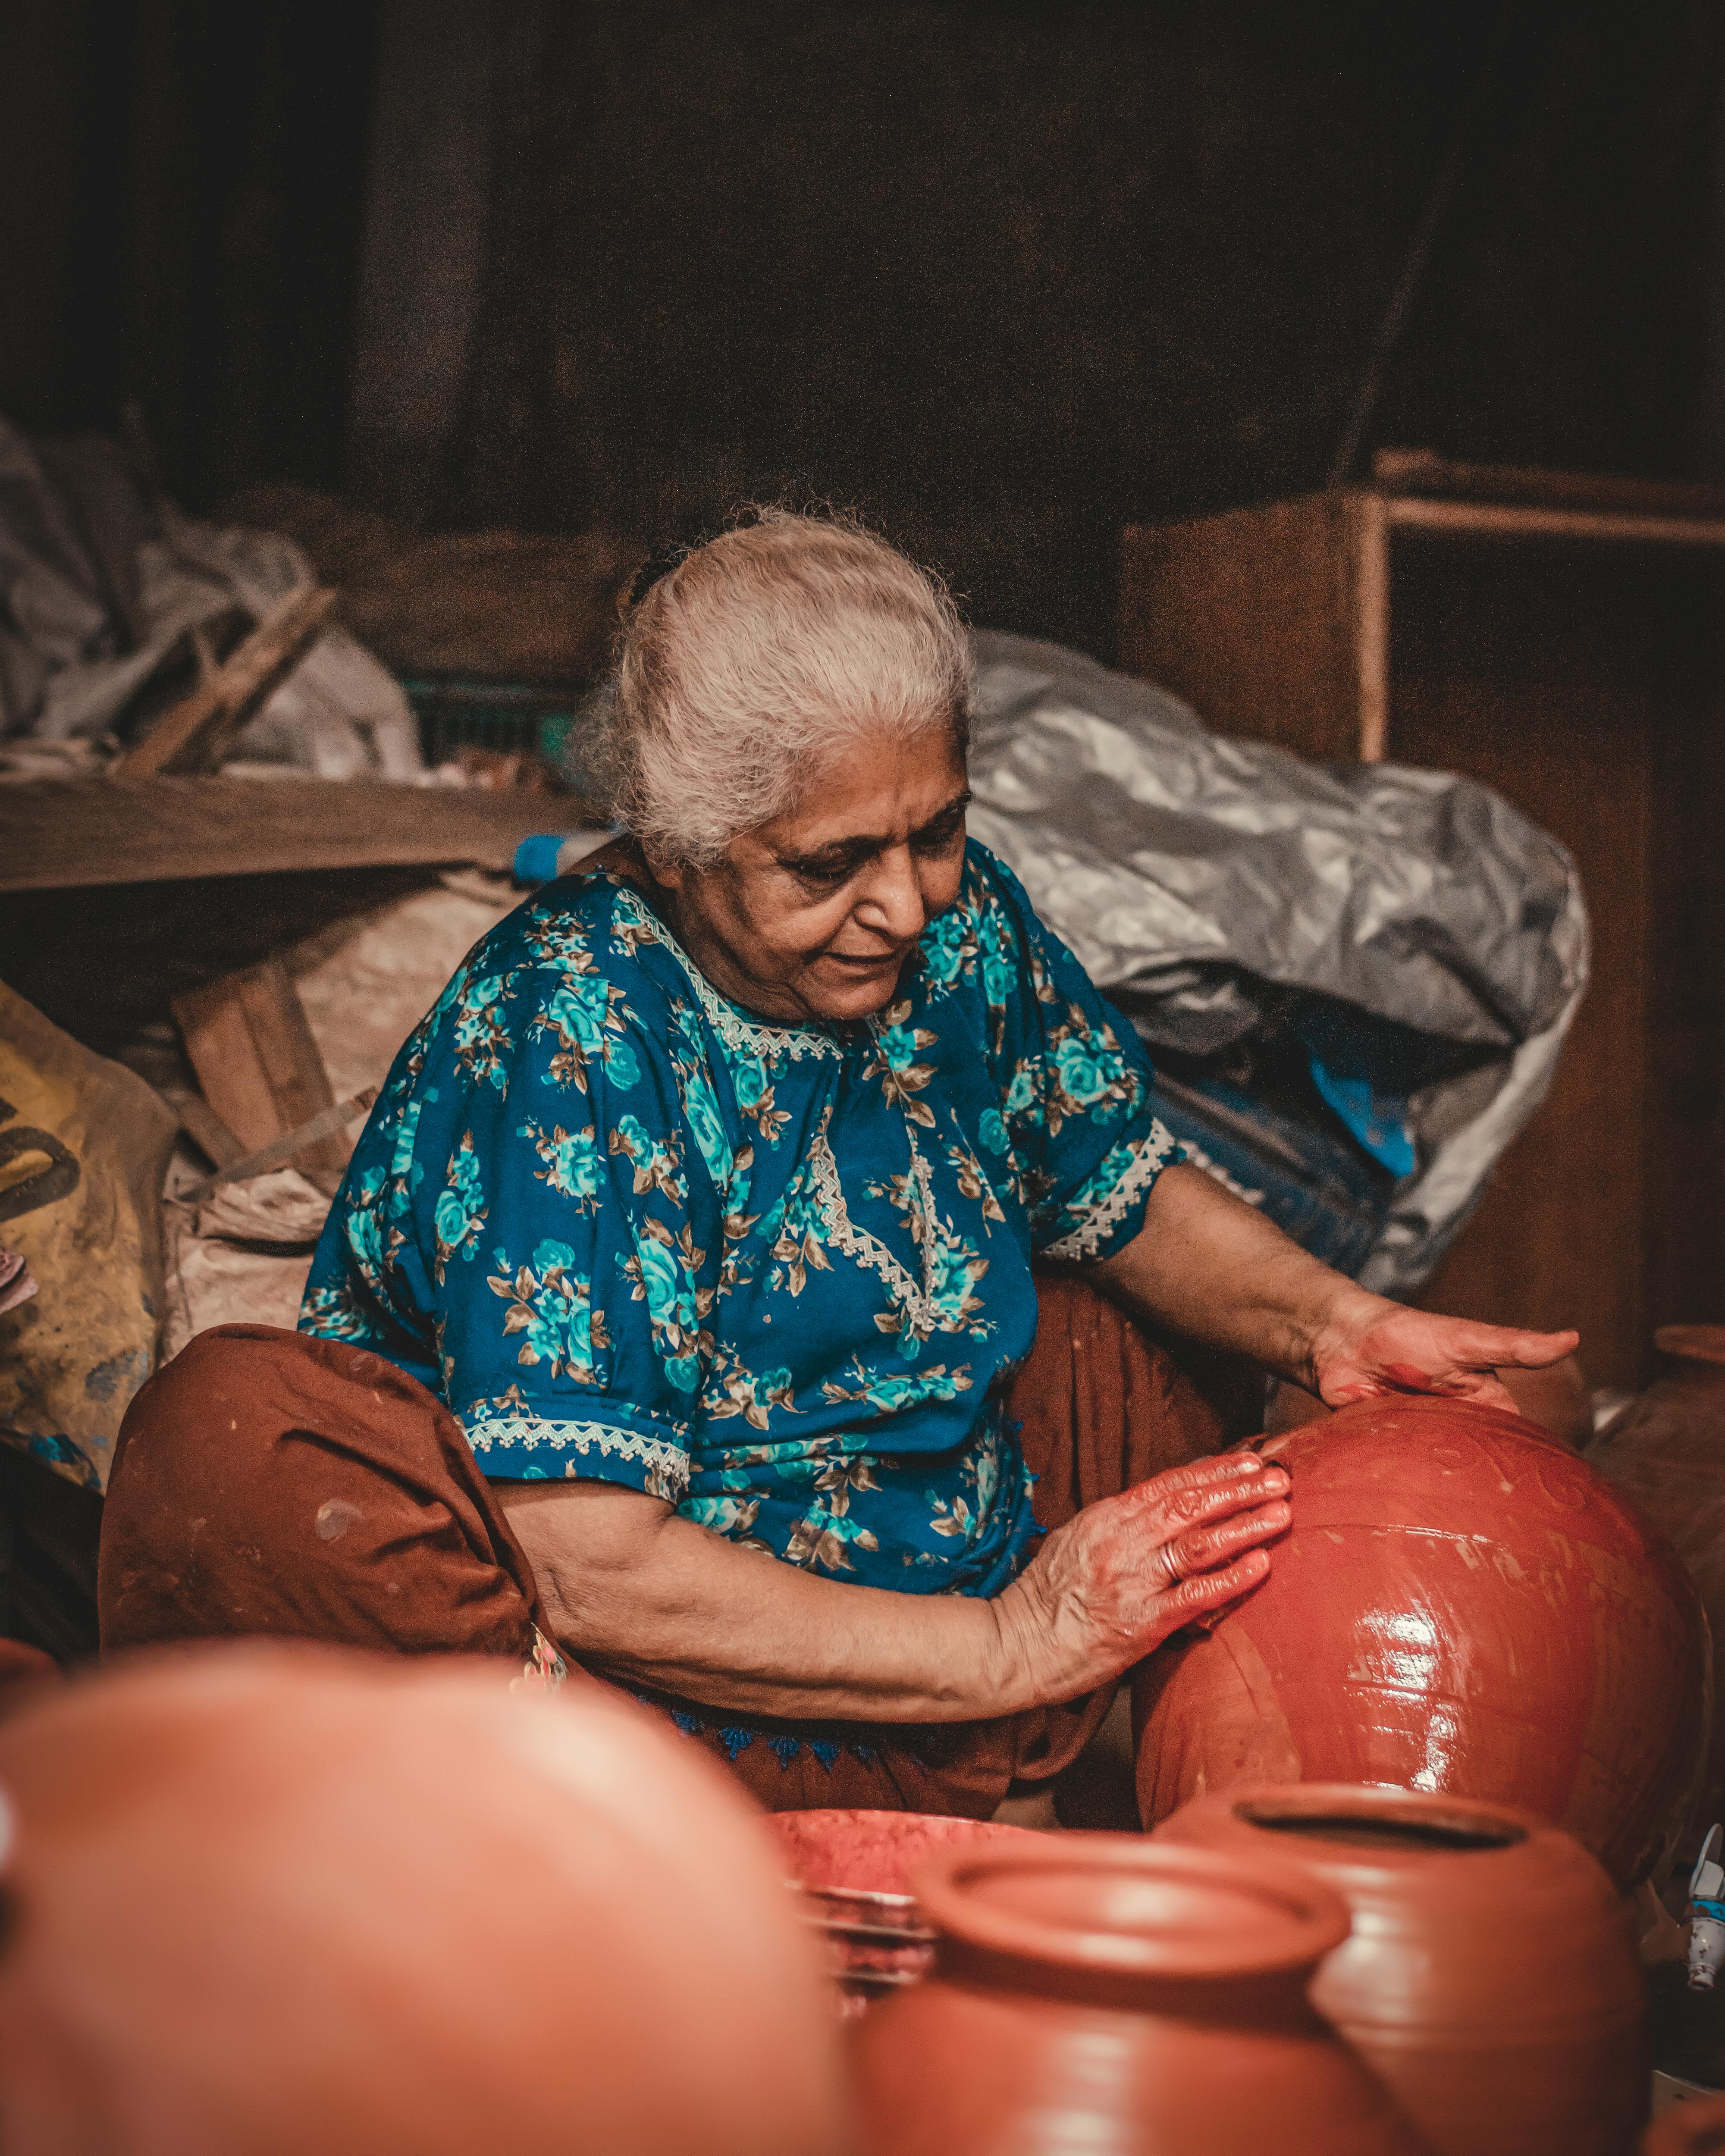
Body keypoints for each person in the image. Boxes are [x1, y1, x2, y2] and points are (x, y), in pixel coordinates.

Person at [100, 511, 1577, 1818]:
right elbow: (588, 1558)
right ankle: (663, 1860)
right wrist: (1013, 1644)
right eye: (830, 866)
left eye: (935, 834)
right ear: (680, 847)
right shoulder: (584, 1022)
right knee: (244, 1445)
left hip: (944, 1604)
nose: (905, 907)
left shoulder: (960, 931)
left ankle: (990, 1784)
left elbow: (1116, 1183)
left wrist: (1338, 1325)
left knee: (1154, 1341)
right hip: (623, 1694)